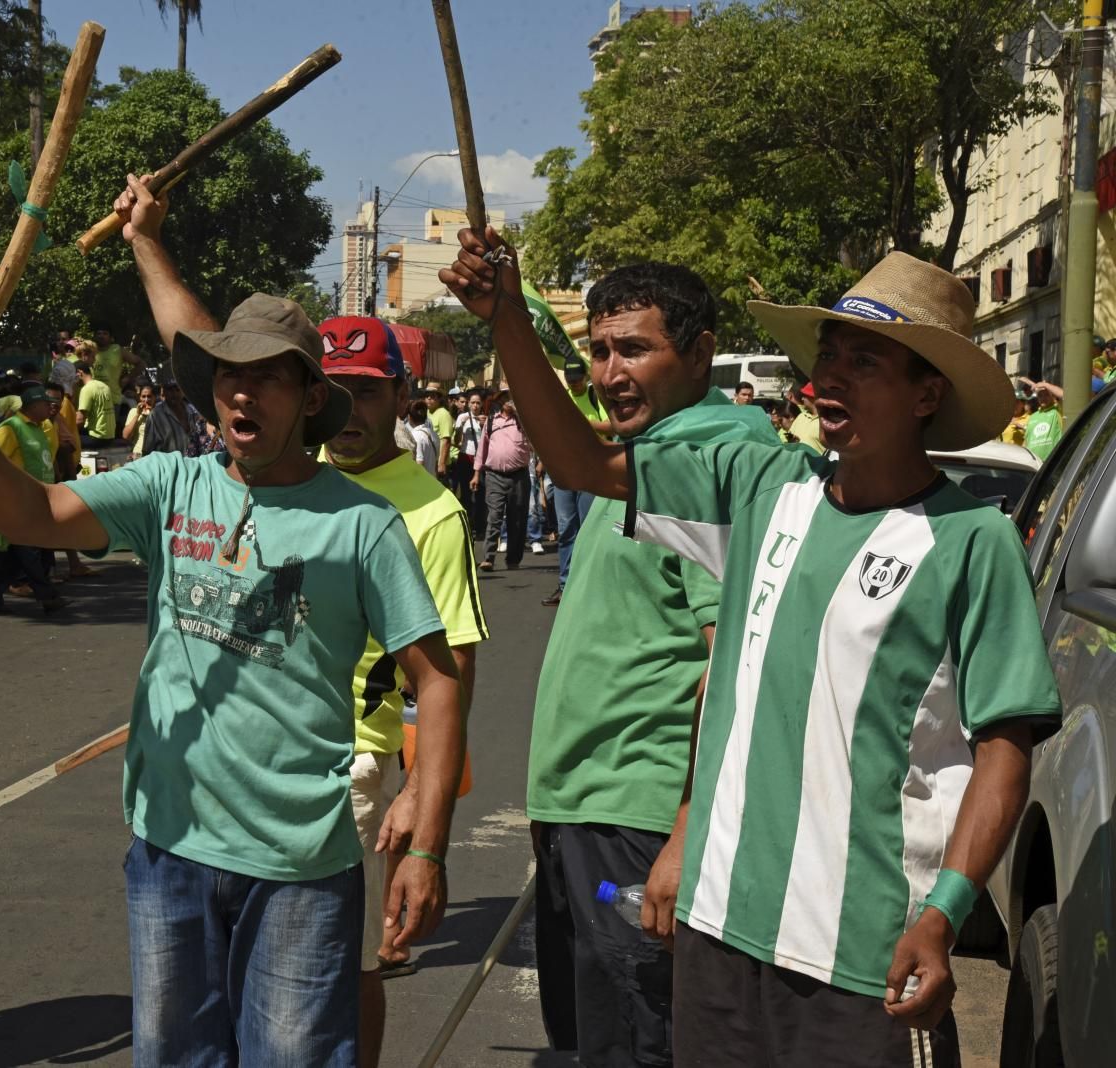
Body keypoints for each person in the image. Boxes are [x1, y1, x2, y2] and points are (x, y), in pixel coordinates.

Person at [441, 232, 1059, 1067]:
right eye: (828, 354)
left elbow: (1004, 751)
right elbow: (582, 462)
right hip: (720, 934)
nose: (831, 376)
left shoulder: (972, 541)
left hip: (865, 954)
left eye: (865, 361)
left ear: (927, 394)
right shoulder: (764, 488)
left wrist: (944, 913)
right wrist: (507, 318)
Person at [0, 172, 465, 1067]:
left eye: (268, 379)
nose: (244, 396)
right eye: (229, 377)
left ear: (308, 398)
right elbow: (32, 514)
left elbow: (437, 682)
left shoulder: (364, 526)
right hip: (169, 848)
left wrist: (427, 843)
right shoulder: (170, 485)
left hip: (301, 867)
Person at [543, 263, 782, 1066]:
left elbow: (733, 665)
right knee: (603, 1039)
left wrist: (687, 831)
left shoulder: (717, 458)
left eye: (635, 350)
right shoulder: (648, 454)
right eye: (600, 351)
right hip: (592, 814)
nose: (611, 374)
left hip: (642, 822)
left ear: (701, 353)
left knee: (647, 1043)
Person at [317, 313, 486, 1068]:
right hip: (251, 754)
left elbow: (451, 669)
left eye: (366, 393)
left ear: (401, 397)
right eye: (332, 391)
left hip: (350, 763)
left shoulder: (432, 513)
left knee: (346, 968)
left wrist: (420, 792)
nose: (347, 412)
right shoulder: (288, 474)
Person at [0, 383, 65, 614]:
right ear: (31, 405)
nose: (50, 407)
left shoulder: (41, 428)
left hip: (36, 502)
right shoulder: (10, 428)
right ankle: (47, 596)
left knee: (12, 559)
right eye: (45, 403)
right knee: (29, 551)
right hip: (14, 503)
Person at [542, 363, 612, 607]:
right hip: (564, 469)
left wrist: (584, 424)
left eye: (577, 379)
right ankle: (565, 585)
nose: (574, 384)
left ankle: (589, 586)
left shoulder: (595, 396)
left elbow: (612, 425)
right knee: (566, 529)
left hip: (591, 468)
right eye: (570, 380)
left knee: (588, 528)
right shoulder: (562, 398)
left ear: (585, 376)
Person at [471, 389, 531, 571]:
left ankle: (513, 559)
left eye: (512, 397)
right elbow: (482, 449)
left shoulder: (524, 421)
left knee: (517, 518)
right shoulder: (491, 421)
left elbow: (536, 441)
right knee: (494, 516)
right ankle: (488, 557)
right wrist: (476, 474)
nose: (509, 401)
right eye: (506, 398)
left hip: (519, 476)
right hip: (494, 475)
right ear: (500, 402)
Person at [142, 375, 213, 457]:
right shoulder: (155, 416)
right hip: (168, 464)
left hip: (193, 462)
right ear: (164, 392)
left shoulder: (193, 411)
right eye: (170, 389)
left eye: (177, 389)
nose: (174, 393)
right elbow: (147, 450)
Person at [453, 389, 486, 530]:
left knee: (481, 493)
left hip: (481, 458)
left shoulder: (486, 418)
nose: (475, 406)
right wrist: (460, 427)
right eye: (472, 403)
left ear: (482, 404)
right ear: (468, 404)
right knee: (466, 493)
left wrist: (484, 426)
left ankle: (480, 525)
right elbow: (456, 440)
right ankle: (467, 524)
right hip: (465, 457)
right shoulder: (462, 417)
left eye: (478, 403)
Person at [75, 359, 118, 447]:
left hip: (96, 438)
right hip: (110, 436)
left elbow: (80, 420)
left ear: (79, 373)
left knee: (67, 439)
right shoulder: (104, 386)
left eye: (73, 376)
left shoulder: (87, 389)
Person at [1022, 379, 1063, 461]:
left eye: (1046, 395)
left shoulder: (1058, 410)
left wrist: (1046, 385)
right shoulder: (1033, 416)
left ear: (1053, 396)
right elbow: (1026, 441)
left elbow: (1064, 395)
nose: (1043, 398)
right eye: (1040, 395)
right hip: (1033, 463)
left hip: (1053, 461)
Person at [424, 387, 455, 481]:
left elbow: (446, 440)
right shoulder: (427, 412)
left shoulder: (443, 413)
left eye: (432, 396)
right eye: (427, 396)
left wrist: (442, 463)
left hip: (439, 463)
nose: (429, 398)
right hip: (430, 461)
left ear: (439, 399)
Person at [788, 382, 824, 452]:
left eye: (805, 396)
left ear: (812, 398)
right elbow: (789, 437)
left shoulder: (826, 422)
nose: (802, 399)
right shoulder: (801, 417)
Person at [124, 381, 157, 459]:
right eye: (143, 396)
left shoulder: (159, 412)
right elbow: (126, 436)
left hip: (156, 454)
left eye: (149, 396)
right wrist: (137, 415)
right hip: (139, 454)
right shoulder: (134, 411)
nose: (146, 400)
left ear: (154, 397)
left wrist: (152, 413)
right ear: (140, 398)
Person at [406, 398, 438, 473]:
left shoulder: (414, 436)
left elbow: (419, 464)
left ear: (409, 417)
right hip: (432, 478)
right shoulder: (434, 434)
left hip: (422, 479)